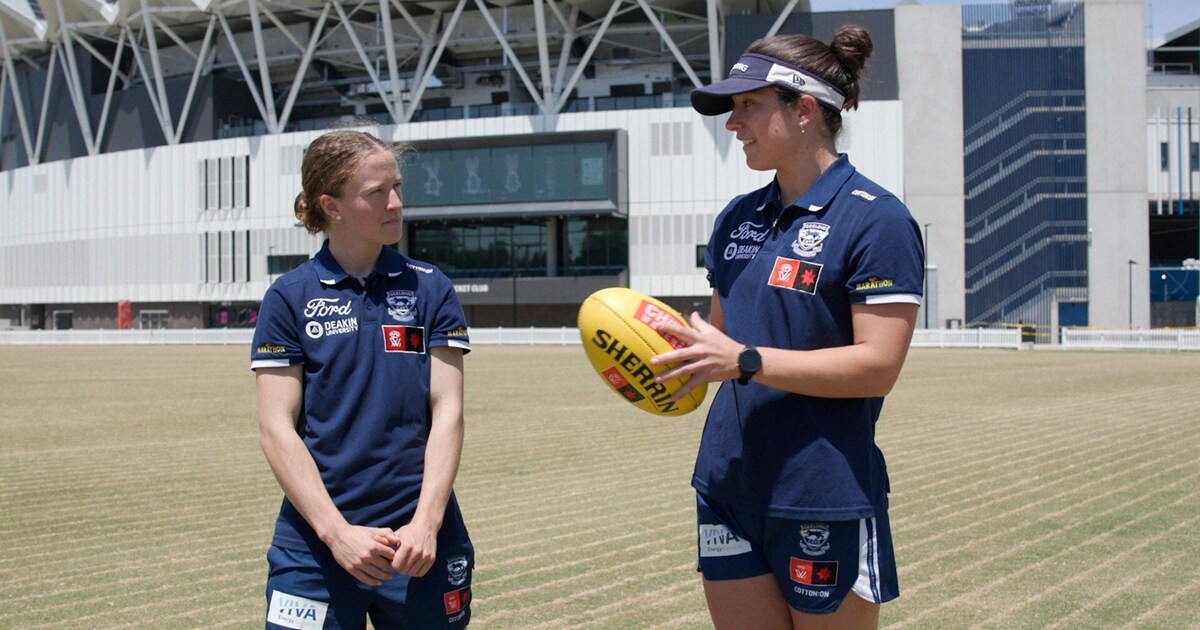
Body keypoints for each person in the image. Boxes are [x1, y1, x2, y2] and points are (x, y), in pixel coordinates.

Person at [650, 26, 924, 630]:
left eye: (748, 105)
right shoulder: (737, 218)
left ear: (803, 110)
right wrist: (670, 365)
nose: (733, 123)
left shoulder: (878, 221)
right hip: (727, 480)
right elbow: (720, 347)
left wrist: (746, 360)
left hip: (822, 489)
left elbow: (878, 366)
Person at [251, 129, 474, 629]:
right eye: (377, 193)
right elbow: (276, 429)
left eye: (397, 186)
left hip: (420, 546)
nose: (396, 203)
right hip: (315, 548)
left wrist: (427, 524)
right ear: (331, 205)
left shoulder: (430, 287)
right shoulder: (289, 298)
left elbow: (449, 411)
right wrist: (337, 534)